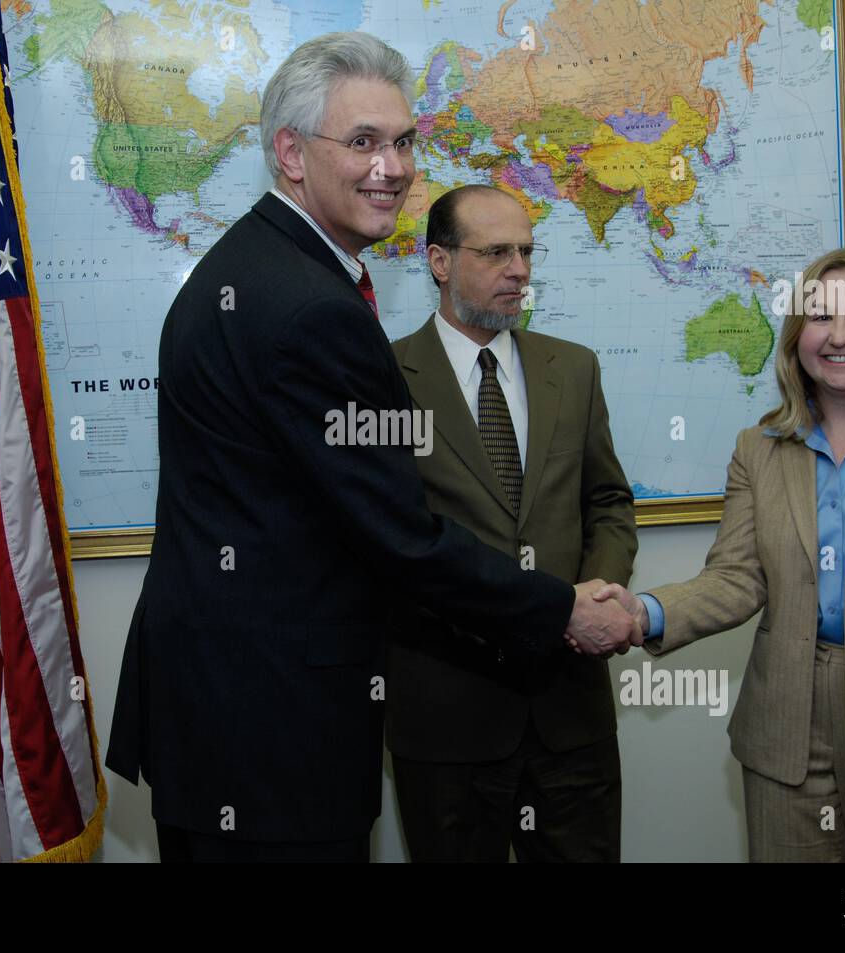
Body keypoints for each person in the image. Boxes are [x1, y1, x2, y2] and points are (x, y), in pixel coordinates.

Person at [104, 32, 640, 863]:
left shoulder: (247, 268)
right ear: (290, 153)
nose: (391, 168)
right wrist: (560, 606)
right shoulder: (309, 307)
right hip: (276, 734)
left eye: (401, 143)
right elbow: (399, 536)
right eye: (361, 143)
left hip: (222, 716)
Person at [588, 248, 845, 862]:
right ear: (796, 336)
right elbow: (735, 579)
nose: (839, 337)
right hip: (784, 741)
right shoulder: (757, 448)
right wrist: (642, 612)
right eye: (820, 318)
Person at [386, 185, 637, 862]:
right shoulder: (385, 379)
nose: (519, 268)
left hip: (570, 708)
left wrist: (599, 593)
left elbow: (608, 501)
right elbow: (391, 543)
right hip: (448, 717)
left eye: (526, 250)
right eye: (497, 251)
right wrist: (545, 608)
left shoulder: (573, 368)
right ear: (439, 261)